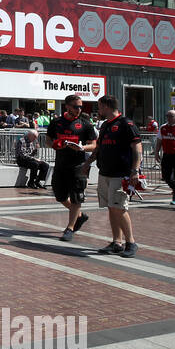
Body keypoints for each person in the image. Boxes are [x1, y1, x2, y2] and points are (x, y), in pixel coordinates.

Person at [93, 94, 142, 257]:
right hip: (105, 172)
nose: (98, 110)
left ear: (106, 106)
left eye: (99, 106)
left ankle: (131, 242)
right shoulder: (106, 125)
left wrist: (135, 170)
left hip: (120, 174)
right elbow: (99, 147)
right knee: (111, 207)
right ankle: (116, 242)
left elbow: (137, 148)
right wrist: (87, 164)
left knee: (120, 207)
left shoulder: (126, 124)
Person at [47, 93, 97, 242]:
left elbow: (94, 145)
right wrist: (55, 145)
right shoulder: (56, 122)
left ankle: (70, 228)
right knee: (60, 196)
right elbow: (48, 140)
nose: (79, 109)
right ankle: (79, 216)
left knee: (76, 198)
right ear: (67, 106)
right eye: (76, 107)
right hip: (60, 164)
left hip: (78, 166)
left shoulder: (86, 124)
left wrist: (81, 148)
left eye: (81, 107)